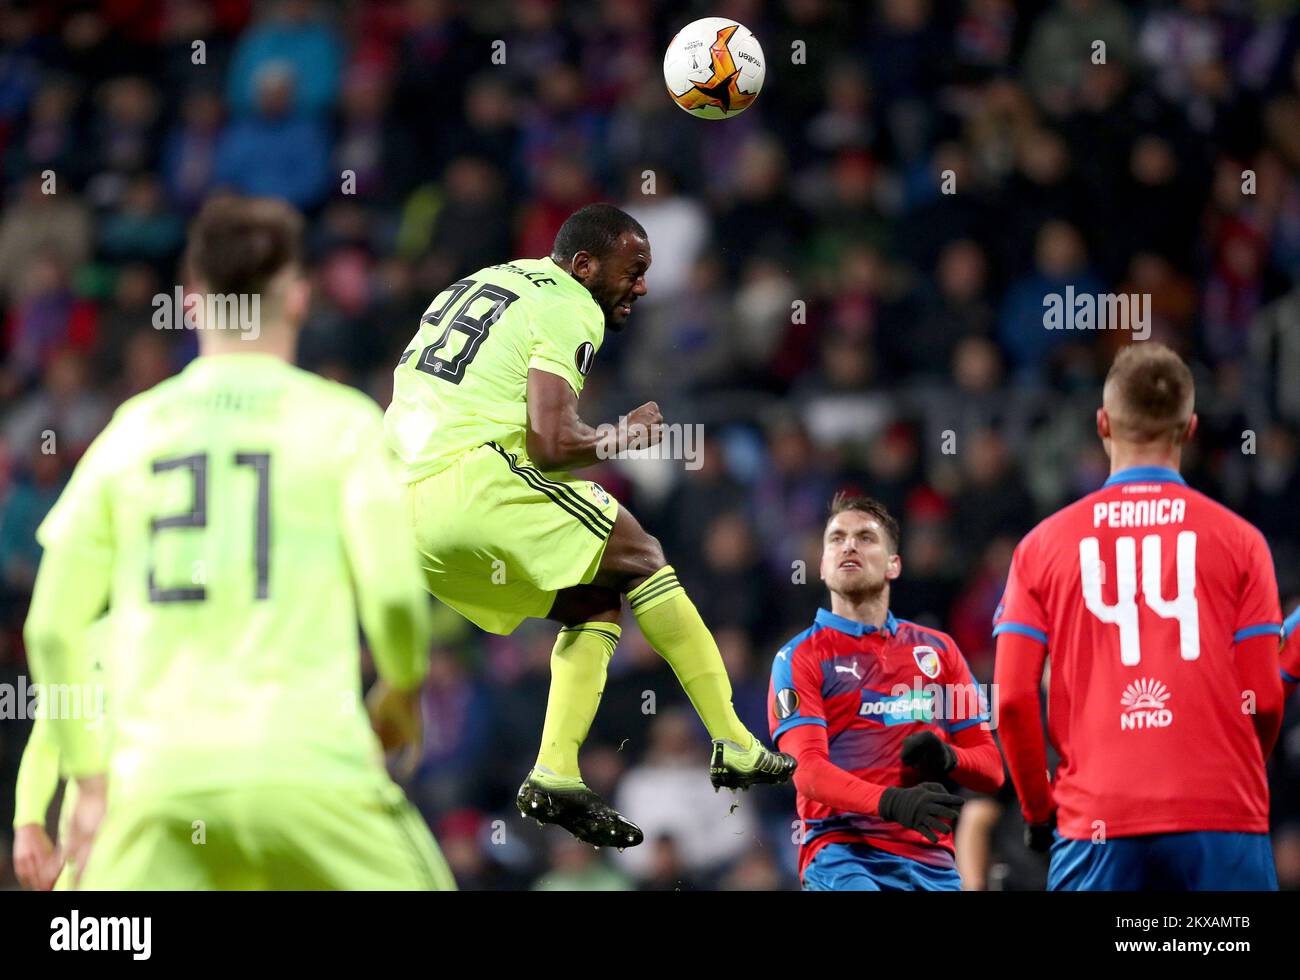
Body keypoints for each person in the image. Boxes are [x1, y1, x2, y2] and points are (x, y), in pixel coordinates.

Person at [23, 194, 453, 890]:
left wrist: (88, 780)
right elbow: (399, 598)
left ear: (190, 304)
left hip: (156, 787)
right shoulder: (341, 424)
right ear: (300, 300)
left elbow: (49, 628)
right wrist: (399, 688)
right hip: (312, 775)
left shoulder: (132, 431)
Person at [384, 203, 794, 848]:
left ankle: (555, 773)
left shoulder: (483, 281)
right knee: (644, 555)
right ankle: (735, 741)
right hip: (473, 484)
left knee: (596, 603)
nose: (642, 286)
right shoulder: (571, 303)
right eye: (632, 271)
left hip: (403, 513)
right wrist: (622, 434)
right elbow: (551, 442)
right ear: (583, 265)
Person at [994, 342, 1285, 890]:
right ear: (1191, 428)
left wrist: (1038, 812)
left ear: (1102, 423)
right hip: (1220, 815)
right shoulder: (1243, 542)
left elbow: (1011, 700)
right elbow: (1265, 697)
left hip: (1096, 819)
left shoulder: (1041, 547)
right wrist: (1236, 768)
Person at [767, 493, 1003, 890]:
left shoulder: (939, 650)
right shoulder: (799, 657)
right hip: (843, 856)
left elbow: (992, 770)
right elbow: (806, 772)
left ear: (894, 564)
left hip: (933, 861)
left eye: (865, 537)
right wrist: (891, 802)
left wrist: (948, 757)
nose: (849, 545)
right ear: (823, 566)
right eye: (836, 538)